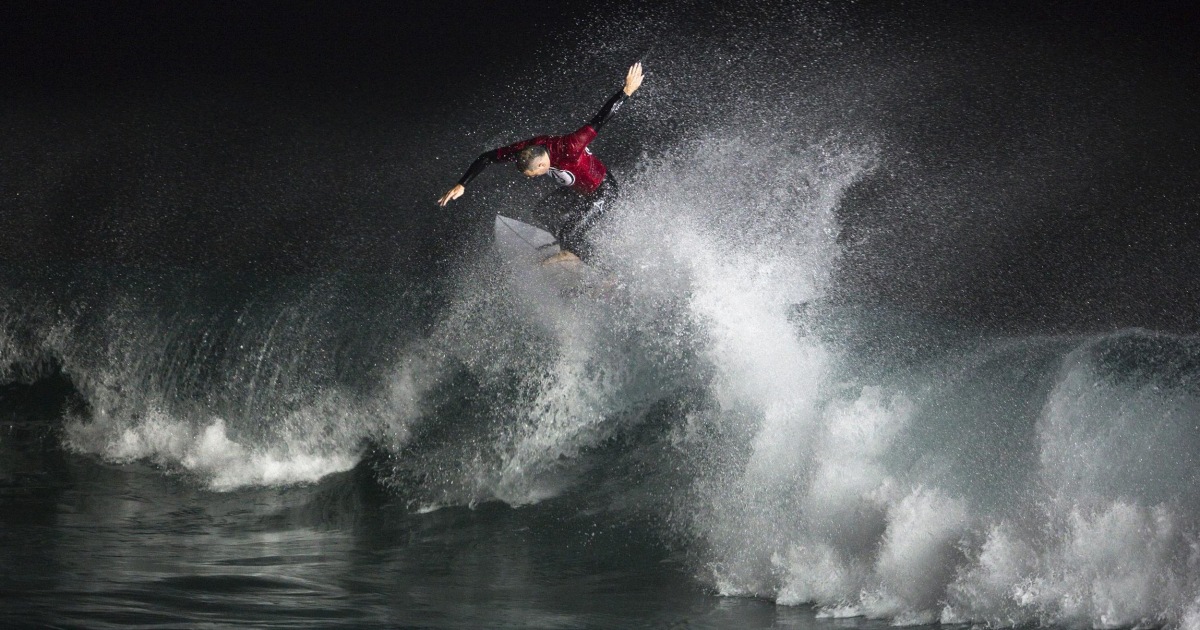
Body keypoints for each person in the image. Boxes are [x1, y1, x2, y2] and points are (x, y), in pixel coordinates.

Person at [438, 62, 645, 265]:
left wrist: (626, 91)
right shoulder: (526, 149)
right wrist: (462, 184)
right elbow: (487, 157)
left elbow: (600, 119)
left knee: (570, 233)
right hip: (577, 188)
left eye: (532, 175)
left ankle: (605, 269)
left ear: (540, 166)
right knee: (543, 213)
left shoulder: (570, 146)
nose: (532, 178)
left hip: (602, 190)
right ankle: (570, 248)